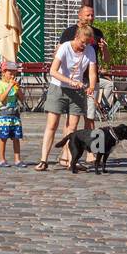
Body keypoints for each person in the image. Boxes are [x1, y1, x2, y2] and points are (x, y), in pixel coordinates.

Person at [35, 22, 98, 171]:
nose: (84, 46)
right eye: (83, 42)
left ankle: (72, 161)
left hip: (77, 92)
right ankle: (44, 160)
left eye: (88, 43)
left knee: (72, 128)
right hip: (59, 88)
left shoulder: (89, 51)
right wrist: (70, 81)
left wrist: (91, 86)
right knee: (52, 125)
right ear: (76, 37)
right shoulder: (64, 47)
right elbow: (53, 71)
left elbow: (92, 72)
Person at [59, 4, 112, 133]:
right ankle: (69, 147)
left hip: (91, 80)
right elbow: (60, 55)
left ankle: (91, 151)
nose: (91, 17)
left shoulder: (97, 33)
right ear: (80, 15)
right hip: (73, 80)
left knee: (90, 117)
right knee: (72, 119)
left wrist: (104, 49)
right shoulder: (69, 32)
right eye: (87, 15)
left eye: (92, 15)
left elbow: (106, 60)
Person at [0, 61, 24, 168]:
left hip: (15, 115)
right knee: (4, 138)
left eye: (14, 74)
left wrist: (18, 89)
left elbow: (22, 99)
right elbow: (1, 99)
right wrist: (9, 86)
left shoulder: (14, 85)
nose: (12, 76)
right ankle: (2, 159)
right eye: (10, 73)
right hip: (4, 116)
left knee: (16, 137)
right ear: (3, 72)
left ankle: (17, 159)